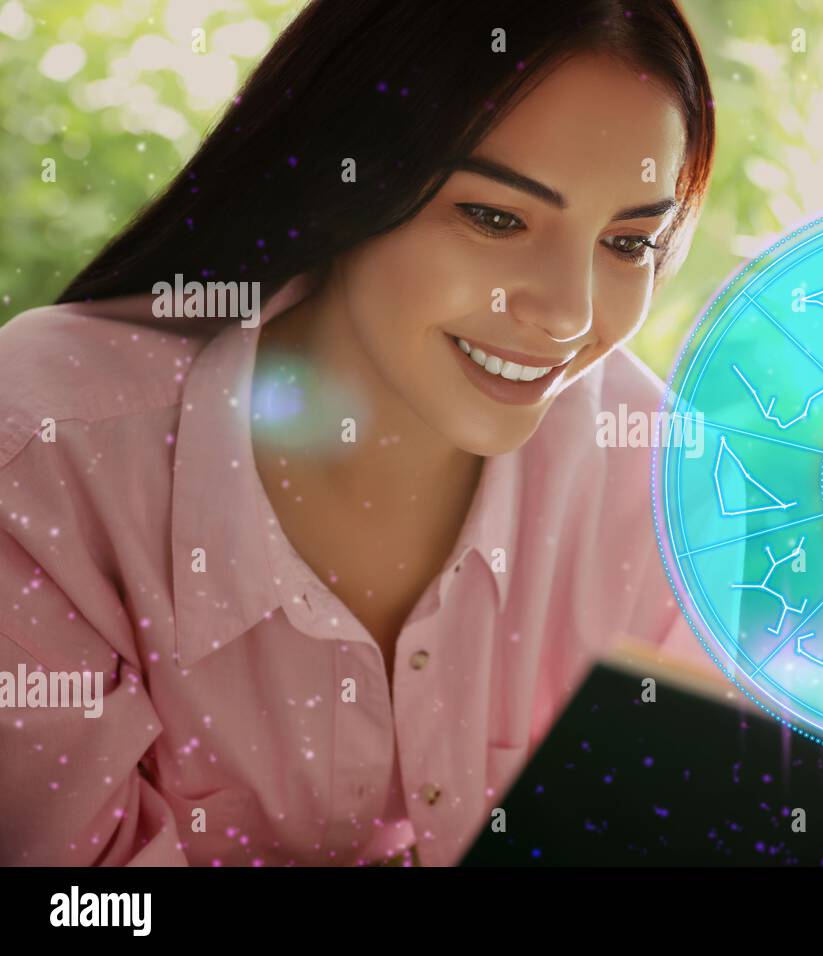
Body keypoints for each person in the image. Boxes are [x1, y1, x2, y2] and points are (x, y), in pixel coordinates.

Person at [0, 0, 717, 866]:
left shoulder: (663, 486)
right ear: (349, 183)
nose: (569, 315)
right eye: (496, 218)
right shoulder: (44, 451)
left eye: (629, 243)